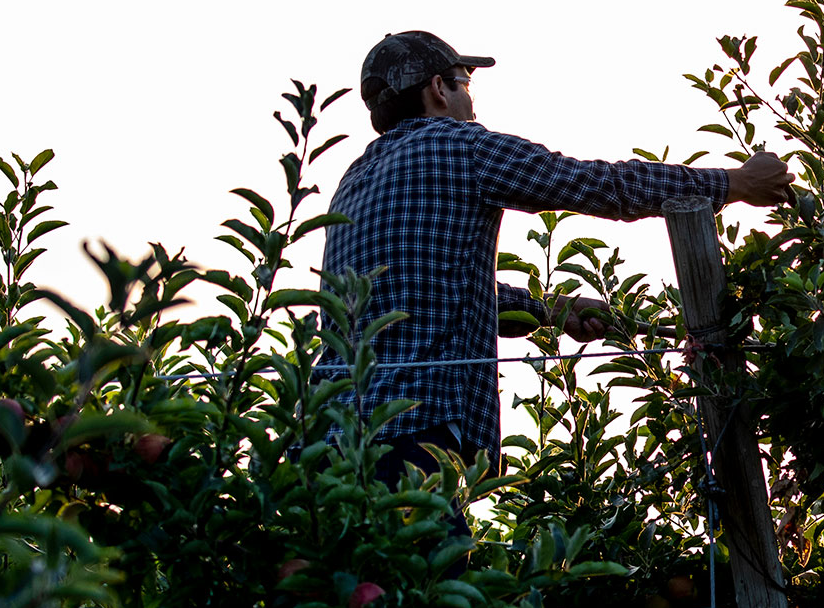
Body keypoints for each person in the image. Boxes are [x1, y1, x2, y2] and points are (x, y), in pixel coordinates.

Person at [321, 30, 792, 480]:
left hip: (328, 448)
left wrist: (550, 310)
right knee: (426, 565)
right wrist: (735, 183)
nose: (470, 97)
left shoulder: (354, 181)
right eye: (466, 81)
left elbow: (425, 294)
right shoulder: (460, 147)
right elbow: (598, 184)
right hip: (412, 441)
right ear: (439, 88)